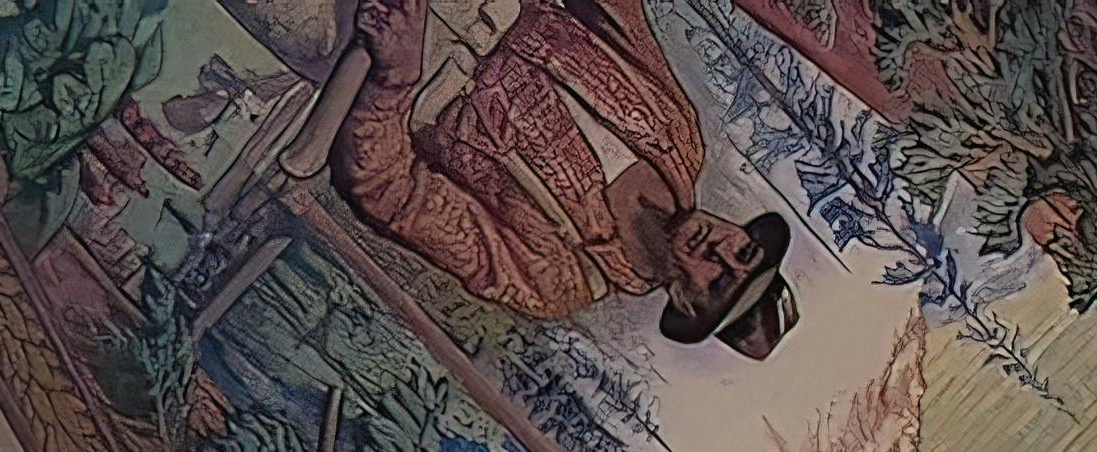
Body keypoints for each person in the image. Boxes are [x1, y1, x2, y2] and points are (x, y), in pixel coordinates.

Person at [331, 0, 792, 354]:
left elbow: (386, 191)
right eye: (744, 251)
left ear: (686, 305)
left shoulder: (557, 281)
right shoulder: (678, 136)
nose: (719, 251)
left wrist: (394, 76)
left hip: (371, 48)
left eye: (718, 281)